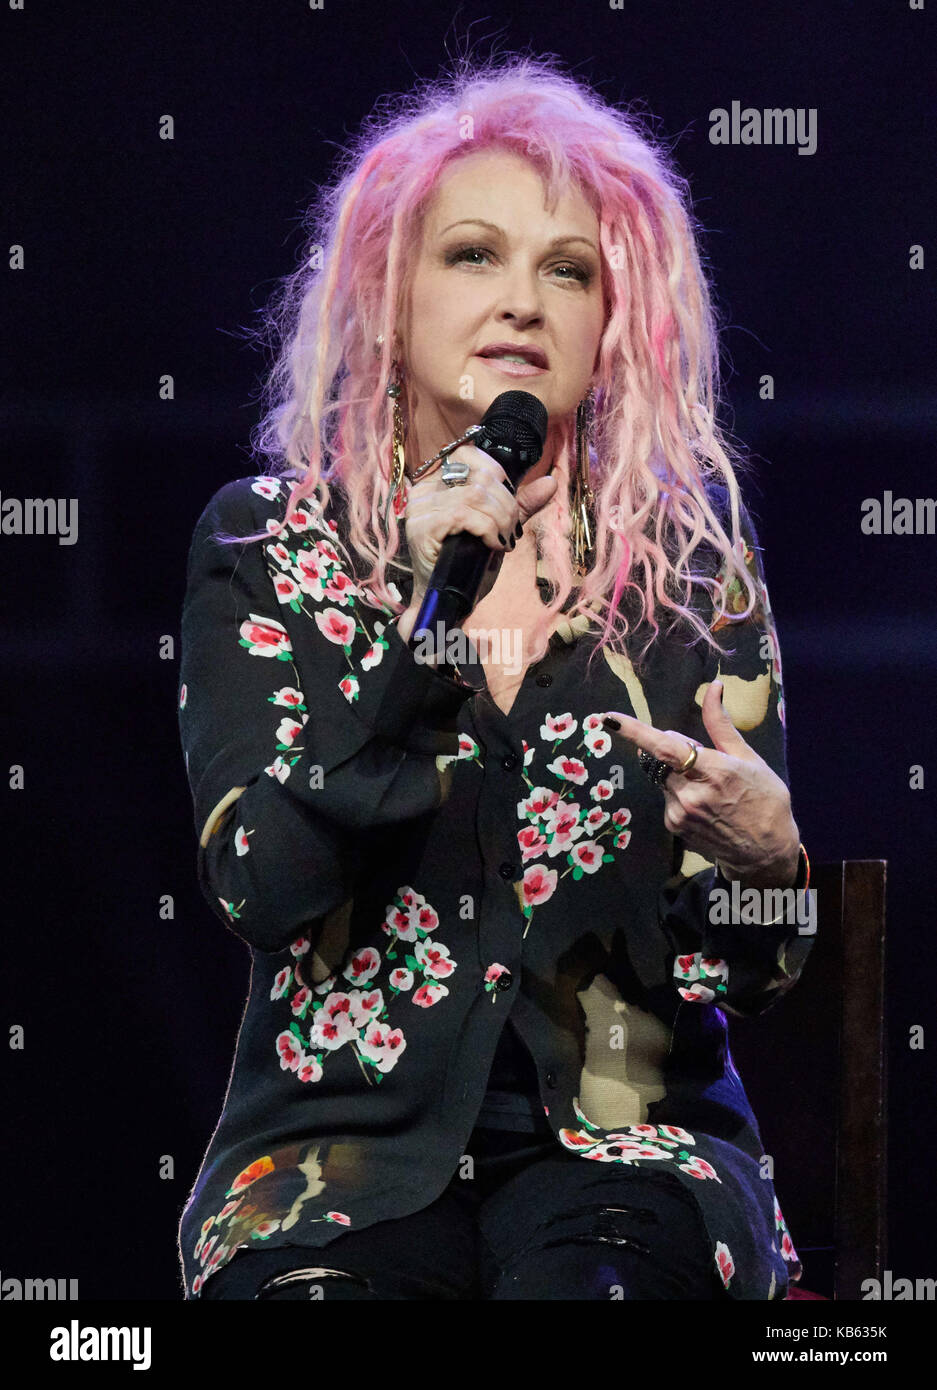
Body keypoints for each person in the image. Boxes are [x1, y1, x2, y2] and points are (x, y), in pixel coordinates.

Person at [176, 55, 813, 1302]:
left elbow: (754, 973)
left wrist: (769, 868)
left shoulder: (687, 573)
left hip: (634, 1155)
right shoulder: (269, 549)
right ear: (385, 295)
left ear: (611, 320)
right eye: (473, 254)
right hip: (333, 1164)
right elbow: (264, 886)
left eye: (566, 269)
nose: (522, 299)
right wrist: (428, 623)